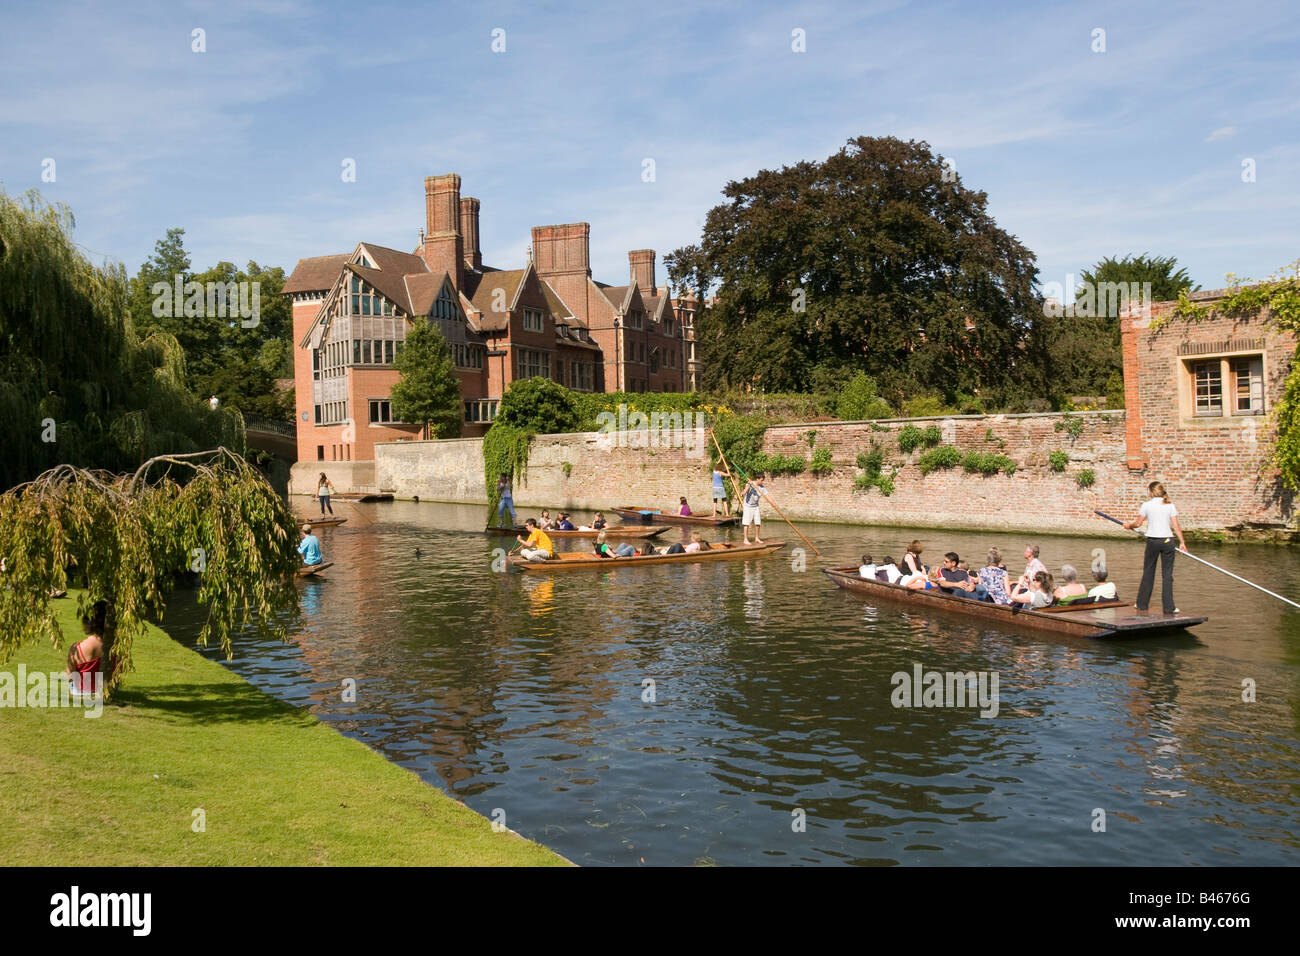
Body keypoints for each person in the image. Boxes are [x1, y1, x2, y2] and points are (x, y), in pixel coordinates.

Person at [1124, 480, 1187, 615]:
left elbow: (1138, 523)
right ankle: (1169, 608)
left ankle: (1141, 604)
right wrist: (1182, 543)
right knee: (1167, 575)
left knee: (1148, 572)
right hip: (1168, 541)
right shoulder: (1170, 505)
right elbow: (1176, 526)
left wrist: (1128, 526)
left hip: (1153, 542)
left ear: (1151, 492)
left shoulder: (1146, 505)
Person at [65, 600, 109, 696]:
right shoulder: (115, 647)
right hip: (105, 689)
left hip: (80, 690)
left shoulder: (77, 648)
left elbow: (69, 676)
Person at [741, 474, 767, 545]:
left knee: (758, 522)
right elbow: (743, 493)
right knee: (746, 523)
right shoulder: (750, 484)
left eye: (763, 480)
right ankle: (745, 539)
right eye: (761, 480)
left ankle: (757, 538)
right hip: (748, 506)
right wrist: (749, 485)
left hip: (756, 506)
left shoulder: (762, 487)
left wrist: (774, 504)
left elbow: (767, 496)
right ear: (757, 479)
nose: (762, 482)